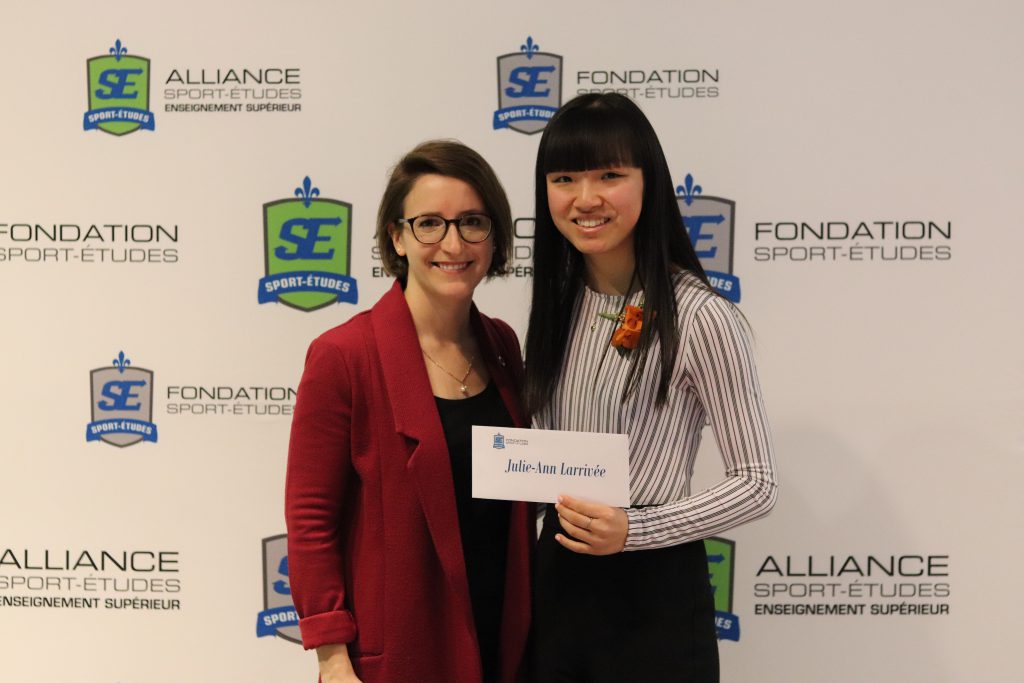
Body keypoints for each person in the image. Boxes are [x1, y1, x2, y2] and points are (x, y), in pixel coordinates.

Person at [523, 93, 778, 682]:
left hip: (653, 590)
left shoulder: (701, 315)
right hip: (558, 578)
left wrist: (636, 529)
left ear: (649, 183)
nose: (585, 199)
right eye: (564, 178)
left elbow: (757, 484)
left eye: (610, 175)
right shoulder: (555, 306)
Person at [285, 140, 533, 683]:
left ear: (495, 237)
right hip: (404, 646)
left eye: (472, 221)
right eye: (429, 224)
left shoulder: (502, 345)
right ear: (396, 236)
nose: (453, 242)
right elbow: (310, 520)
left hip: (505, 640)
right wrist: (331, 657)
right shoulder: (344, 356)